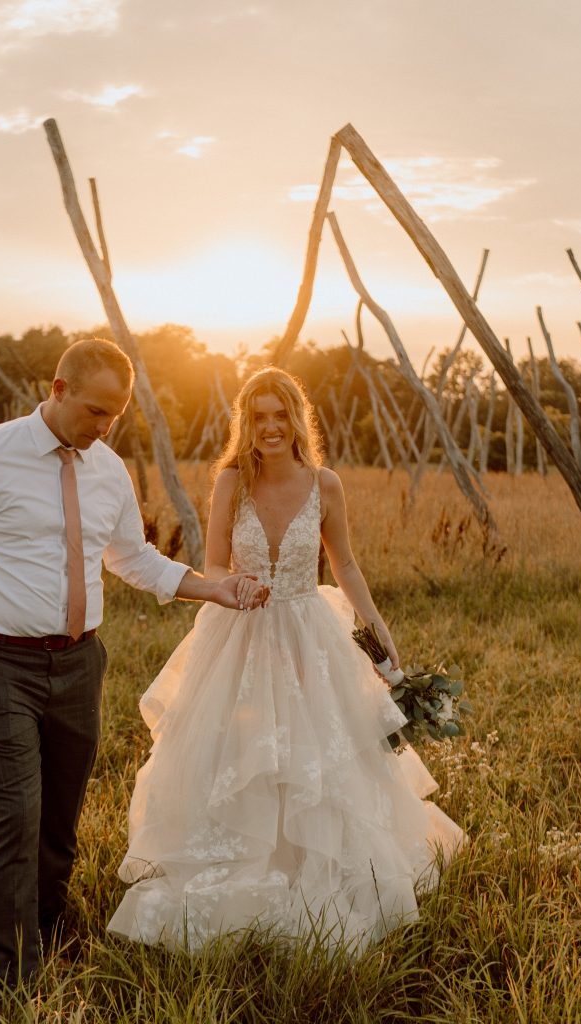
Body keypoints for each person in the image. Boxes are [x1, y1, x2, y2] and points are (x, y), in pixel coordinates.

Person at [0, 339, 268, 988]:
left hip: (78, 664)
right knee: (15, 816)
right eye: (96, 411)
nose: (105, 426)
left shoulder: (107, 471)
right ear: (59, 389)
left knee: (60, 819)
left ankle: (46, 929)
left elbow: (134, 560)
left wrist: (217, 587)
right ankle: (10, 977)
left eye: (116, 416)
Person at [107, 366, 464, 952]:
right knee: (239, 756)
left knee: (313, 758)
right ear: (246, 425)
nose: (270, 427)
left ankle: (316, 870)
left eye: (280, 415)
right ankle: (236, 867)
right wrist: (233, 585)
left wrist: (378, 636)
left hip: (309, 634)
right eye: (259, 417)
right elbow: (214, 564)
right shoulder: (230, 483)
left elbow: (344, 566)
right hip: (238, 633)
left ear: (297, 420)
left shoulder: (326, 485)